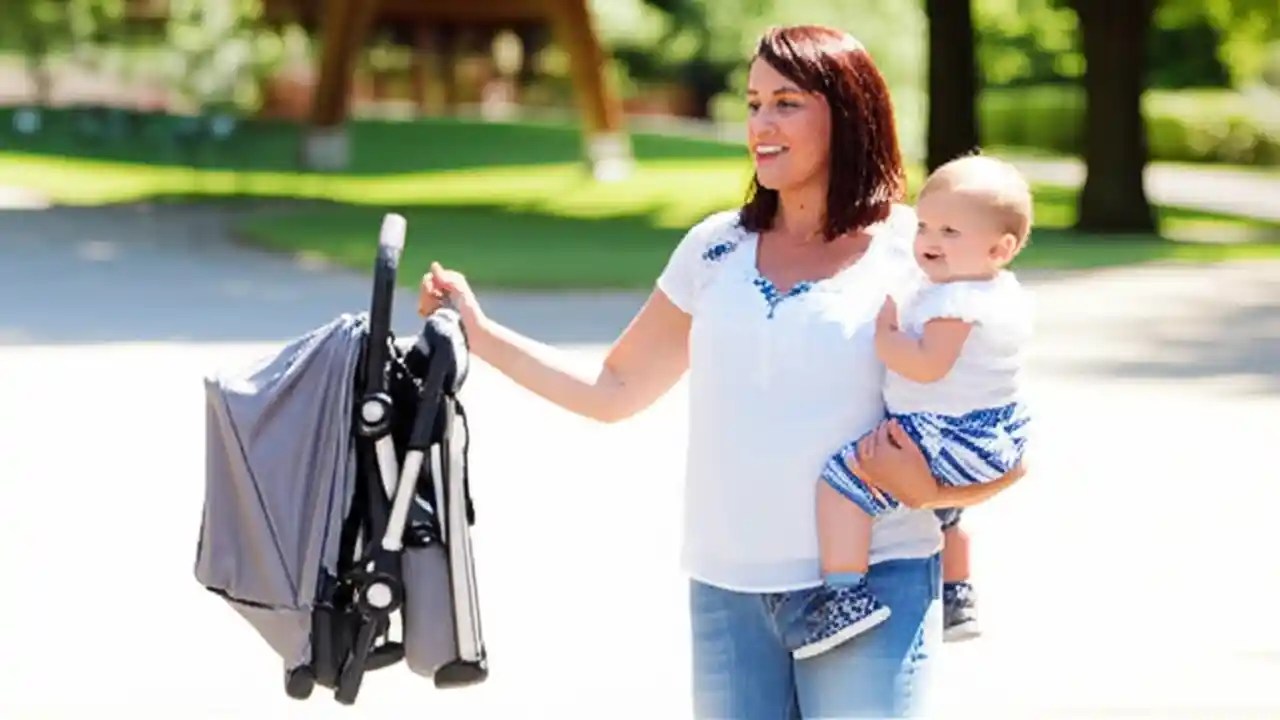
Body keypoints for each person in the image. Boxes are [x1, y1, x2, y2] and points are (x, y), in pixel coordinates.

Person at [418, 25, 1025, 719]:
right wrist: (480, 332)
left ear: (849, 112)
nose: (762, 124)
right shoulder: (715, 248)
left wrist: (936, 491)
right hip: (727, 589)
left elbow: (1001, 427)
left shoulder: (917, 253)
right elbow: (613, 390)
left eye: (787, 103)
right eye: (754, 102)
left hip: (877, 584)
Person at [782, 154, 1035, 661]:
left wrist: (888, 337)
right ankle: (958, 592)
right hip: (992, 432)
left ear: (1000, 248)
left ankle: (844, 595)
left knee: (842, 483)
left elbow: (927, 366)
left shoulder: (954, 302)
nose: (930, 241)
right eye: (924, 226)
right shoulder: (997, 289)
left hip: (944, 433)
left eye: (950, 231)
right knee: (948, 510)